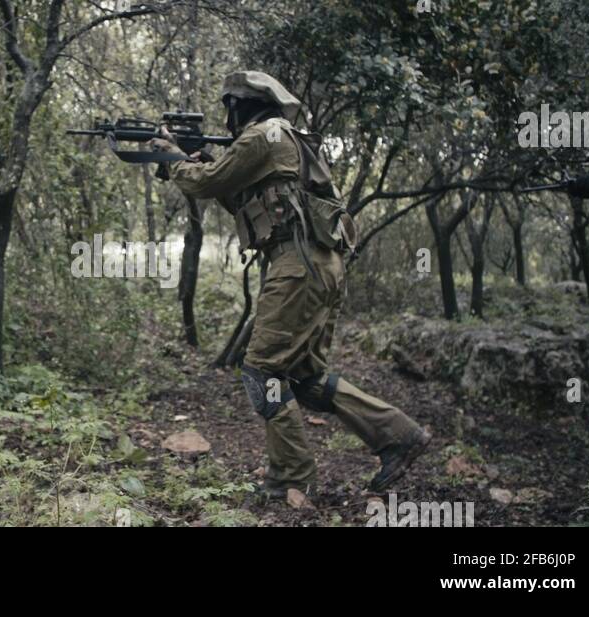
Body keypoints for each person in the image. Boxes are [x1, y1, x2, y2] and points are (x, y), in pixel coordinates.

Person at [150, 71, 430, 500]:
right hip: (318, 263)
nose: (227, 115)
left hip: (298, 264)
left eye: (230, 106)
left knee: (262, 372)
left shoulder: (263, 135)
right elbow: (239, 198)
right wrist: (198, 159)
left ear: (241, 106)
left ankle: (290, 479)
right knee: (304, 377)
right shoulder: (285, 137)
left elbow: (207, 185)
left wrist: (175, 157)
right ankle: (398, 435)